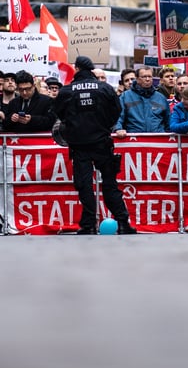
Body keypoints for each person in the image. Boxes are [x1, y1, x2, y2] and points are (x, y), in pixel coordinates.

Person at [51, 56, 137, 235]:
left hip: (79, 145)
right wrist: (103, 126)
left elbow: (58, 113)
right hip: (102, 143)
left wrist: (74, 126)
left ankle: (88, 224)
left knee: (84, 186)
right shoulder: (105, 88)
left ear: (77, 69)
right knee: (110, 184)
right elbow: (116, 112)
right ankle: (122, 221)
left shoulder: (67, 91)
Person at [115, 66, 171, 136]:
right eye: (144, 77)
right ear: (137, 79)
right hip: (134, 140)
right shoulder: (125, 97)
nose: (147, 79)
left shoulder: (161, 97)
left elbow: (168, 121)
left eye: (150, 76)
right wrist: (118, 129)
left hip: (158, 140)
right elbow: (119, 116)